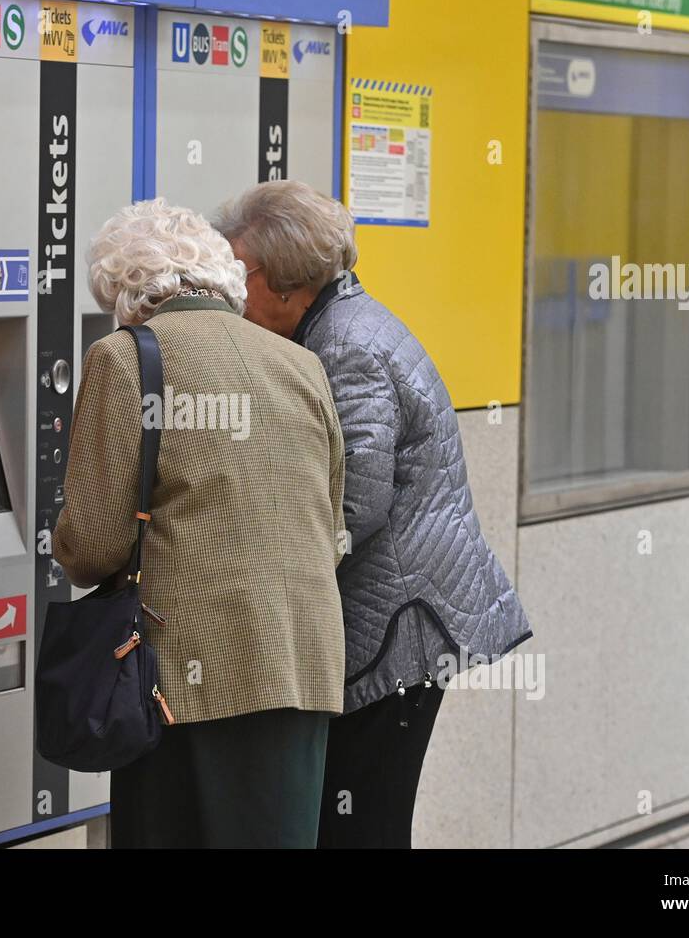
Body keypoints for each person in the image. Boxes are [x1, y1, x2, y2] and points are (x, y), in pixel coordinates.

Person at [213, 180, 533, 848]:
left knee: (361, 821)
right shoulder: (344, 325)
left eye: (239, 272)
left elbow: (356, 500)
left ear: (281, 282)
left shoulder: (344, 347)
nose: (228, 290)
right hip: (397, 615)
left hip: (396, 624)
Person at [51, 197, 348, 848]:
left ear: (123, 289)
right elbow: (330, 519)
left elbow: (93, 545)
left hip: (187, 677)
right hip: (302, 666)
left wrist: (63, 538)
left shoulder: (125, 359)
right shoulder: (302, 364)